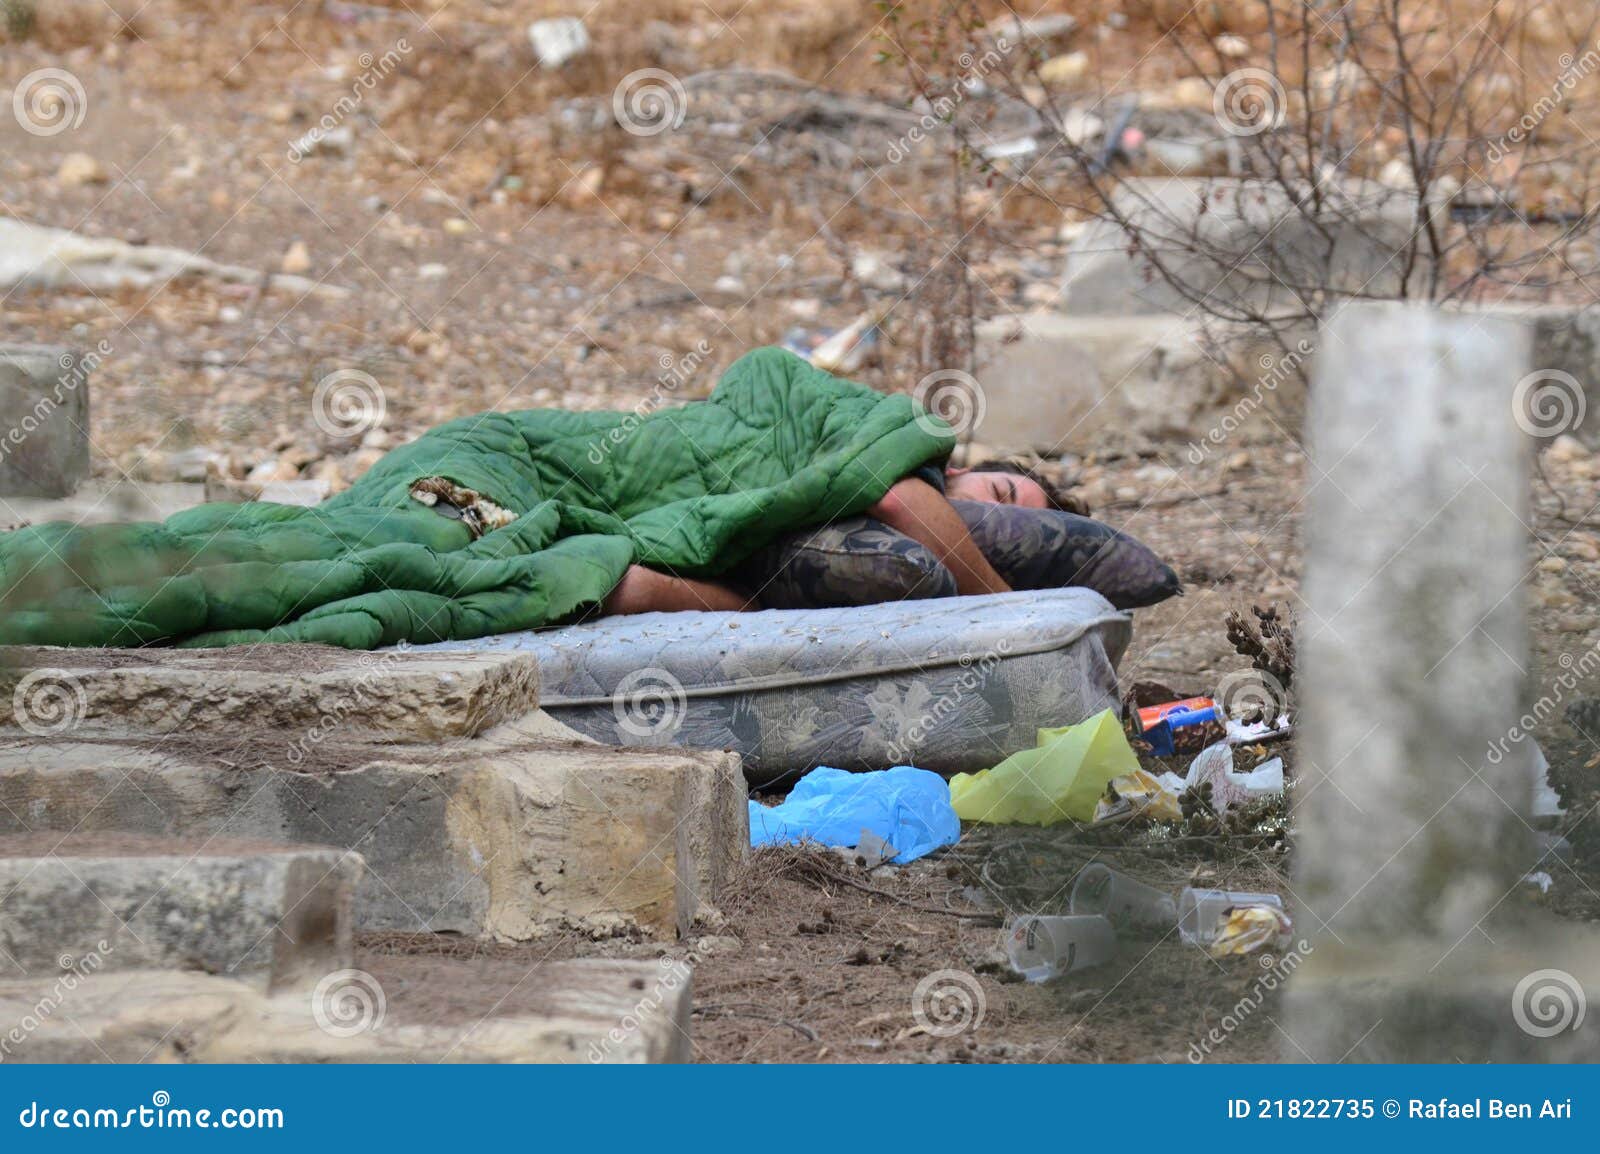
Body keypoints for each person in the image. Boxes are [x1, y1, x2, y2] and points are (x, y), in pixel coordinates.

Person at [601, 458, 1069, 615]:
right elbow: (896, 497)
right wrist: (1005, 609)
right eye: (999, 493)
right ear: (957, 471)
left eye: (1017, 528)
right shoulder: (904, 464)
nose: (993, 520)